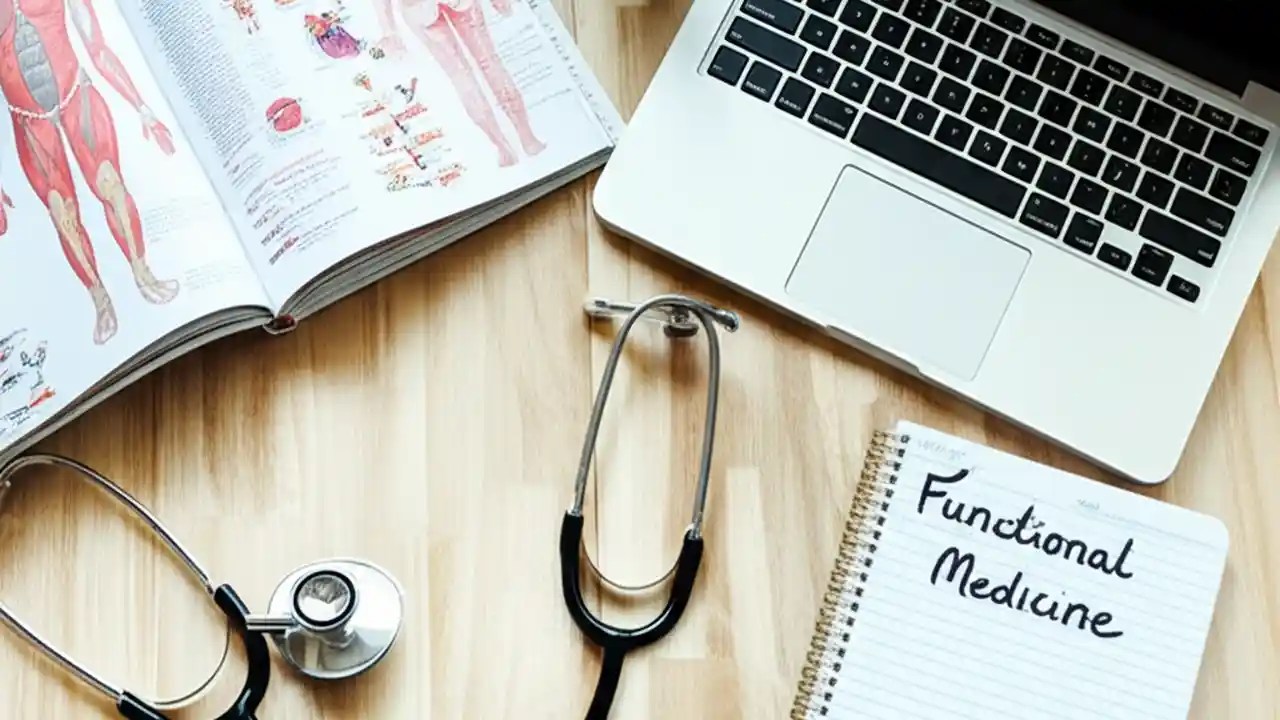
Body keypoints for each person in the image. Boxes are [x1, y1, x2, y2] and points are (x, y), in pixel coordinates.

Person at [0, 0, 179, 345]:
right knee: (62, 214)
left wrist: (143, 109)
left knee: (111, 185)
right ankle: (101, 300)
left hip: (76, 96)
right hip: (31, 125)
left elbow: (99, 49)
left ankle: (143, 275)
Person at [373, 0, 545, 167]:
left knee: (467, 74)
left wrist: (389, 31)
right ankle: (517, 140)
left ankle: (511, 142)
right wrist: (389, 31)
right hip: (424, 10)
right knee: (480, 67)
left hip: (423, 9)